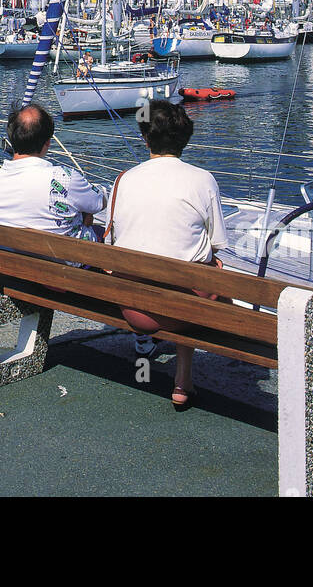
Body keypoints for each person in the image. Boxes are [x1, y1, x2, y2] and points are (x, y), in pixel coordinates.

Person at [106, 99, 227, 411]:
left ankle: (177, 375)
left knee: (188, 273)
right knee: (204, 271)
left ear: (146, 140)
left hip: (134, 307)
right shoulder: (203, 180)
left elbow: (111, 243)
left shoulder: (123, 180)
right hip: (181, 308)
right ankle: (182, 381)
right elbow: (217, 244)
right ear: (185, 139)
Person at [0, 104, 106, 236]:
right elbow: (99, 202)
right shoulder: (64, 178)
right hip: (66, 255)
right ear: (47, 142)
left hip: (8, 254)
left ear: (12, 138)